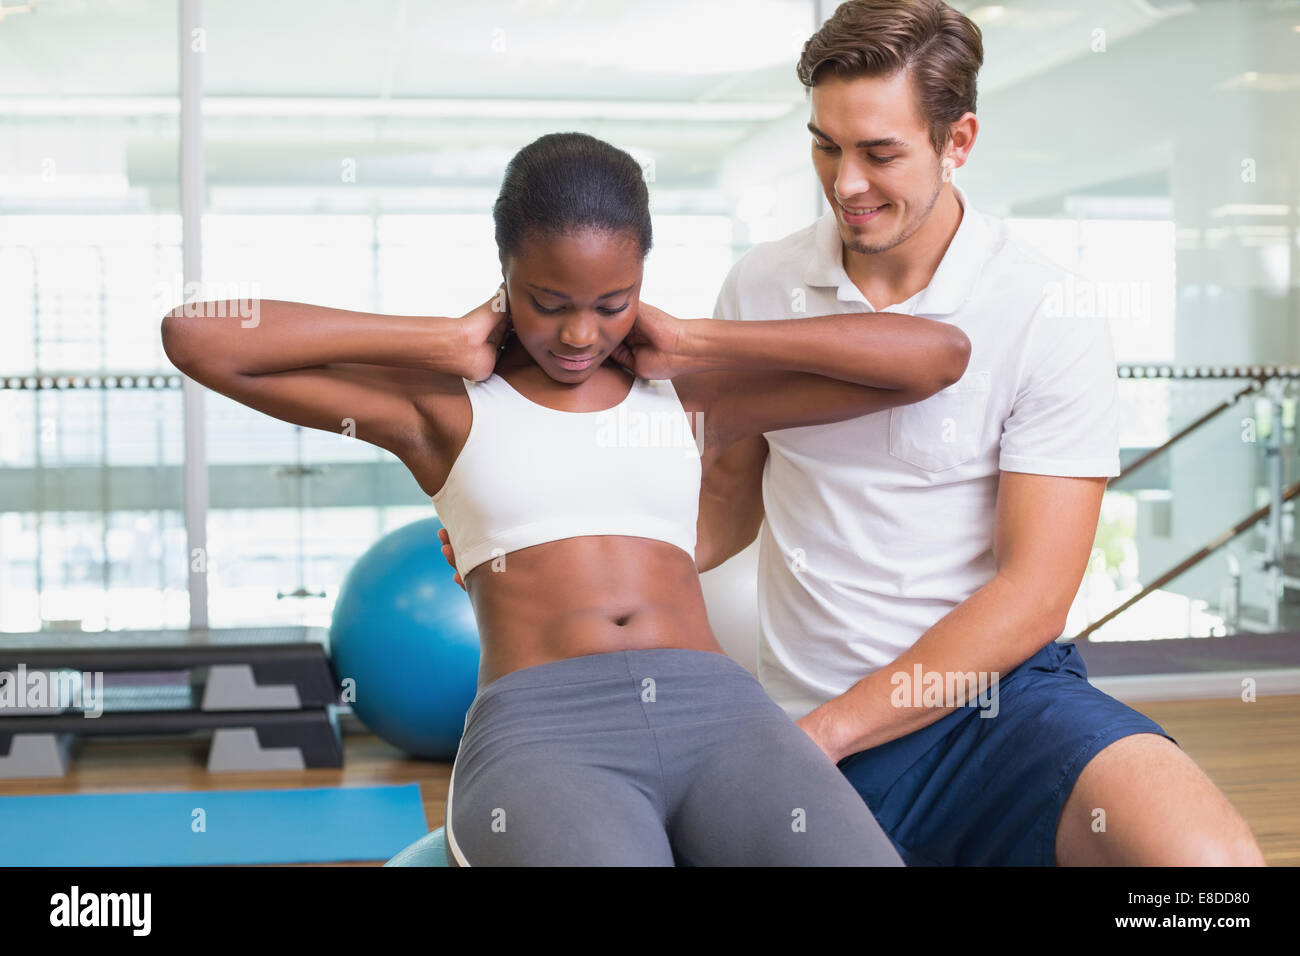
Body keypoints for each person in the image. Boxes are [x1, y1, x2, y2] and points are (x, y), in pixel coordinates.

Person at [159, 131, 971, 866]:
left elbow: (935, 357)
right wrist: (437, 338)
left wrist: (696, 339)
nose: (581, 335)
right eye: (549, 303)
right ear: (506, 272)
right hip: (544, 727)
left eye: (612, 304)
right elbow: (199, 337)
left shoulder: (690, 399)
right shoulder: (437, 409)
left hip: (717, 709)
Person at [695, 0, 1265, 866]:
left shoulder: (1044, 309)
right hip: (803, 715)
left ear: (958, 142)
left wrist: (831, 732)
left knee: (1205, 869)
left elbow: (1035, 592)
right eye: (826, 145)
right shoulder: (760, 286)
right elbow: (728, 503)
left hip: (998, 708)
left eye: (880, 153)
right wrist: (558, 546)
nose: (846, 182)